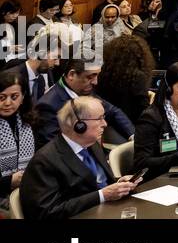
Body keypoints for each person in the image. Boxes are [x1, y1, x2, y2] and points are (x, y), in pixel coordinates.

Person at [19, 96, 140, 219]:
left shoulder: (92, 146)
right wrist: (103, 195)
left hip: (106, 212)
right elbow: (47, 212)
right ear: (79, 125)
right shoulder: (45, 161)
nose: (105, 124)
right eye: (99, 119)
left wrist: (119, 183)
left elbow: (96, 183)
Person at [34, 59, 135, 148]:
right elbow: (55, 149)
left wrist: (132, 135)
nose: (95, 82)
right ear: (71, 75)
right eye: (90, 77)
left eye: (97, 75)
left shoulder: (85, 91)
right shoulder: (48, 106)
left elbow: (113, 111)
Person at [95, 34, 156, 125]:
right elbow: (143, 110)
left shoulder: (102, 72)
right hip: (130, 124)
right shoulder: (138, 77)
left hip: (106, 120)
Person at [0, 68, 35, 208]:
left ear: (23, 97)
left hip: (27, 191)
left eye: (14, 97)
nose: (8, 103)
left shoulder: (29, 122)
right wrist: (9, 181)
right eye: (2, 97)